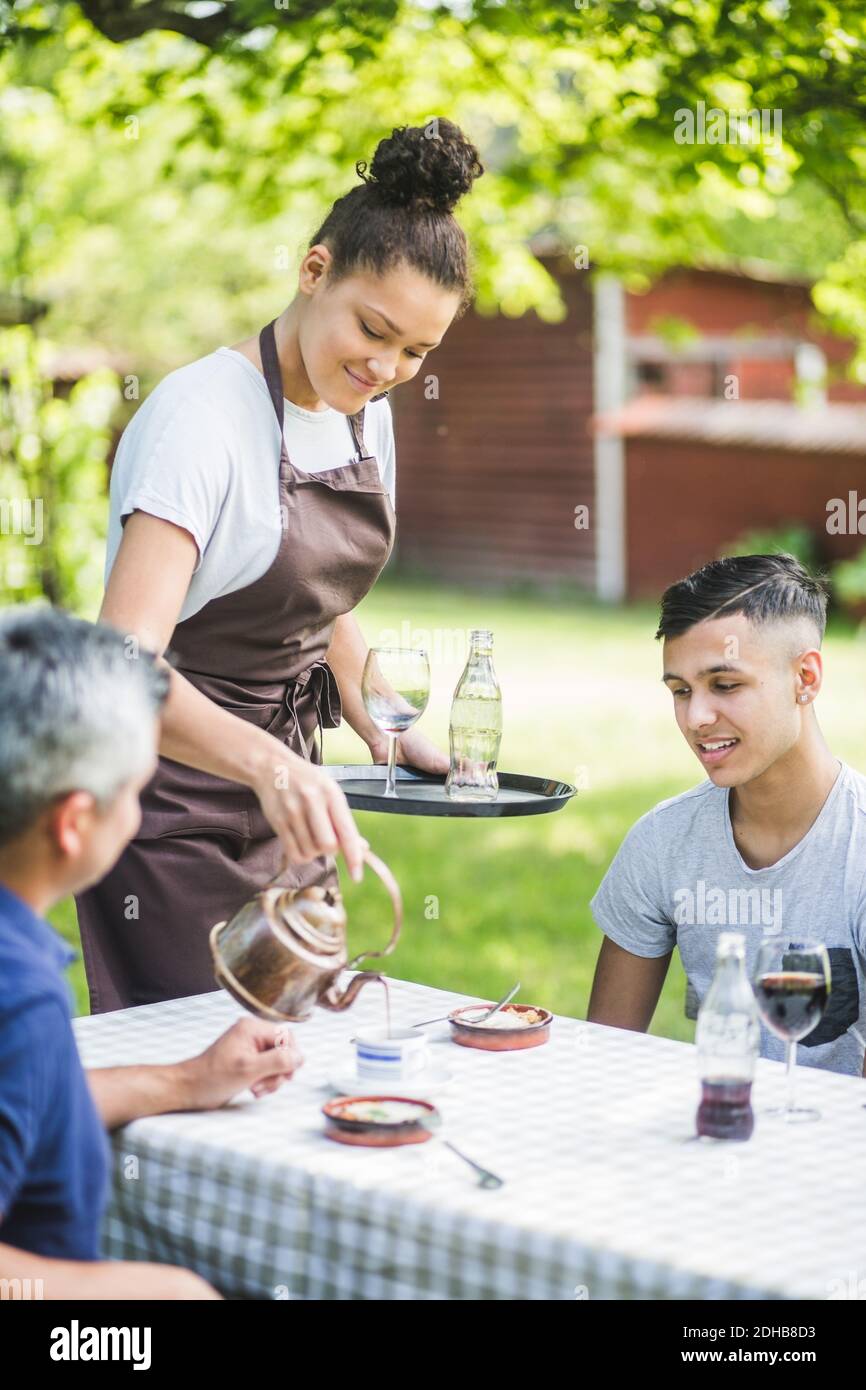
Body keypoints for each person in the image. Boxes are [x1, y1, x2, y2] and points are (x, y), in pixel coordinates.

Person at [74, 118, 484, 1013]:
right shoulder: (201, 419)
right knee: (203, 1075)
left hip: (288, 797)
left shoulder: (361, 411)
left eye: (418, 353)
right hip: (169, 814)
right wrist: (269, 765)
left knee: (291, 1057)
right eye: (374, 330)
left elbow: (310, 593)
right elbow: (119, 661)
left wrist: (378, 717)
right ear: (314, 271)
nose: (386, 368)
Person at [0, 607, 306, 1298]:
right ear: (74, 824)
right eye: (136, 793)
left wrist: (186, 1081)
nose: (139, 815)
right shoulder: (17, 992)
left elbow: (27, 1100)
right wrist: (165, 1297)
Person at [588, 553, 866, 1076]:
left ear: (805, 677)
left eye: (725, 685)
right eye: (680, 691)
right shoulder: (662, 843)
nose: (695, 718)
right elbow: (606, 1056)